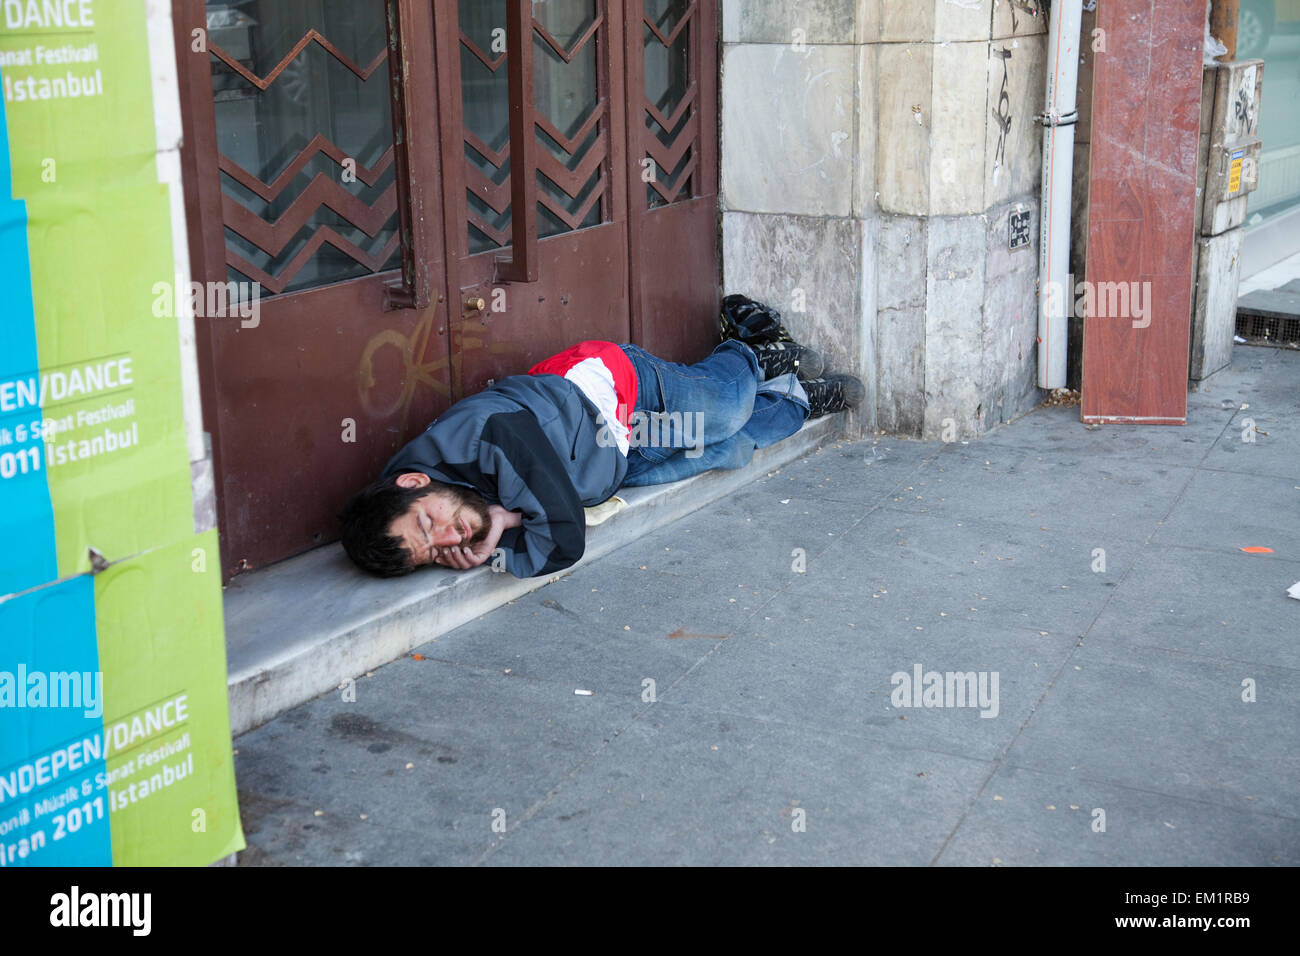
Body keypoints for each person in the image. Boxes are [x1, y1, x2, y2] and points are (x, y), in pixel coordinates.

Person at [339, 296, 864, 578]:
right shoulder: (449, 504)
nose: (452, 538)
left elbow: (565, 539)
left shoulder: (485, 435)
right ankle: (797, 400)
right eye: (434, 553)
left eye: (428, 523)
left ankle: (751, 347)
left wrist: (505, 527)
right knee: (729, 451)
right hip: (609, 464)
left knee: (724, 413)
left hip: (610, 394)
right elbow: (553, 520)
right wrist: (506, 522)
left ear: (414, 482)